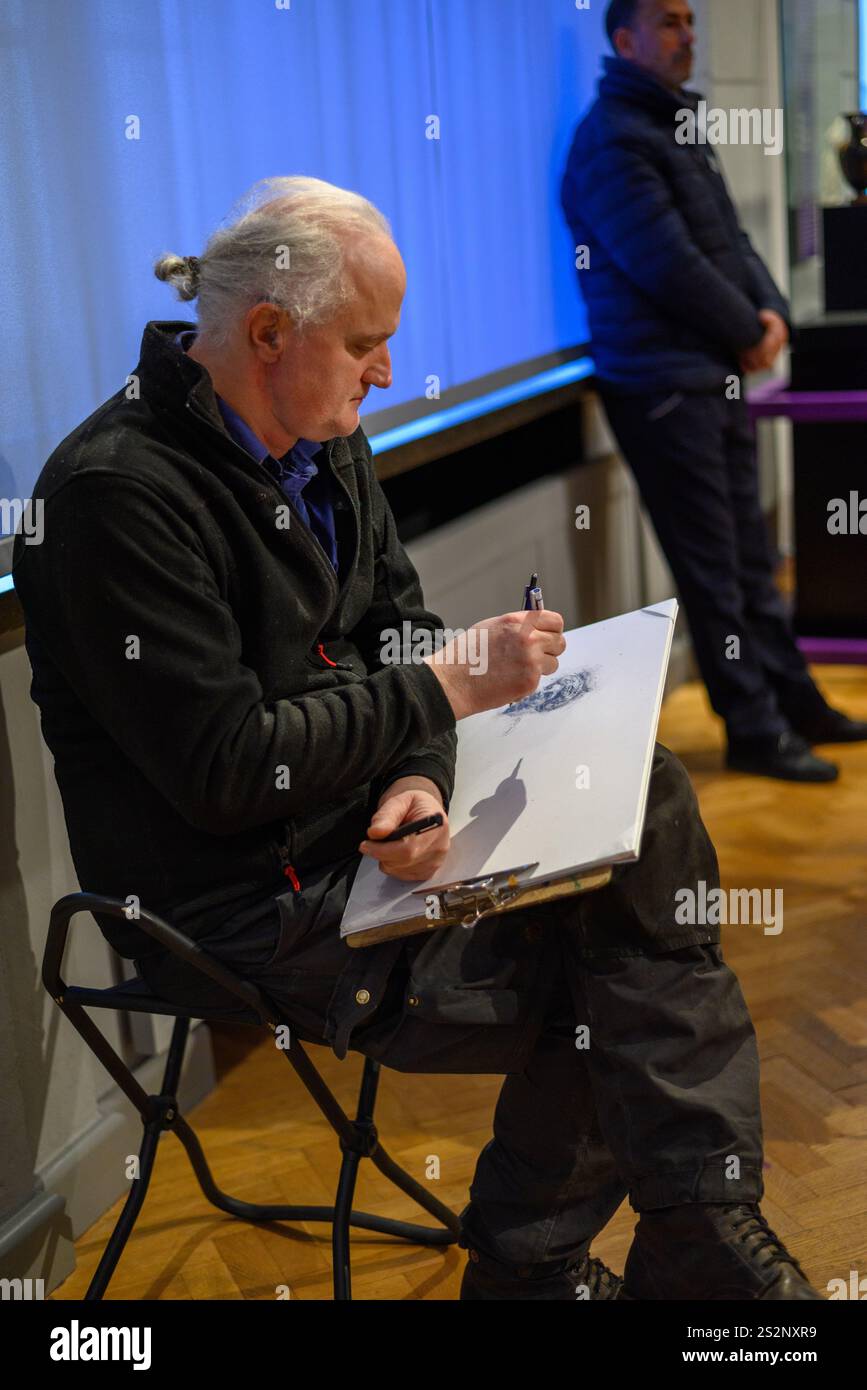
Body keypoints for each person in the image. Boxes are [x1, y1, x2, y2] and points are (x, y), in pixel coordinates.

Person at [13, 176, 822, 1300]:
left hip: (366, 826)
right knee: (617, 968)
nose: (387, 371)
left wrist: (420, 770)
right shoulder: (115, 496)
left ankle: (664, 1238)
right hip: (246, 899)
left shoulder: (316, 425)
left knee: (650, 795)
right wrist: (440, 697)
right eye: (367, 344)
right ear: (264, 333)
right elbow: (228, 768)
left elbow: (398, 627)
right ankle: (571, 1258)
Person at [561, 0, 867, 784]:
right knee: (714, 573)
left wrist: (772, 317)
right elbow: (666, 264)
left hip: (708, 375)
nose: (687, 34)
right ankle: (754, 730)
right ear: (624, 39)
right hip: (662, 385)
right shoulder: (612, 139)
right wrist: (748, 328)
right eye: (668, 22)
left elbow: (729, 240)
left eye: (690, 20)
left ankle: (793, 701)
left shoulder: (673, 125)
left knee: (753, 559)